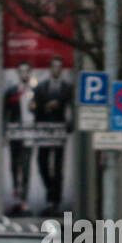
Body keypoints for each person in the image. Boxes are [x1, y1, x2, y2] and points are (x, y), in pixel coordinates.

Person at [30, 56, 73, 214]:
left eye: (59, 67)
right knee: (42, 163)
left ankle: (55, 201)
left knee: (58, 166)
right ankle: (50, 191)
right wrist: (45, 108)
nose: (56, 70)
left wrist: (68, 124)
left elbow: (70, 108)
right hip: (44, 130)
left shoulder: (67, 88)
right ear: (50, 69)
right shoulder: (41, 87)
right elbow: (34, 108)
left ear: (61, 70)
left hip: (59, 131)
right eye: (54, 67)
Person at [3, 61, 35, 208]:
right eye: (21, 71)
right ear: (18, 73)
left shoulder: (36, 91)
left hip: (29, 133)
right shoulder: (12, 91)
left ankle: (25, 197)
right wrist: (4, 133)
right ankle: (16, 189)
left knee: (26, 165)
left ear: (30, 73)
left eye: (26, 71)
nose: (24, 74)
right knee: (15, 164)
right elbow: (6, 113)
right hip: (15, 134)